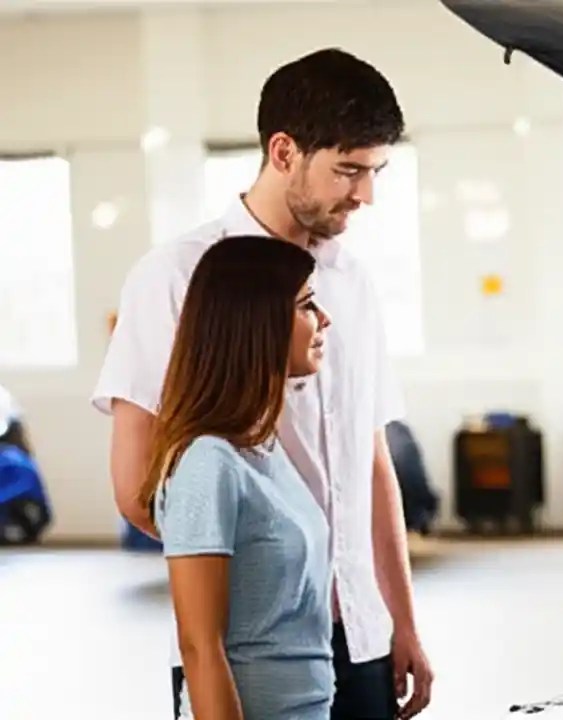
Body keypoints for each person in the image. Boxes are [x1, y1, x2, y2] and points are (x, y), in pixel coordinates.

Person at [91, 47, 433, 719]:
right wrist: (265, 593)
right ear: (283, 152)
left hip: (359, 633)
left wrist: (403, 621)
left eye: (376, 171)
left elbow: (370, 466)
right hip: (252, 649)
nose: (366, 195)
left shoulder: (352, 283)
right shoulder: (177, 278)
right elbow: (138, 489)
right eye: (350, 171)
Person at [147, 235, 334, 719]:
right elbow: (198, 645)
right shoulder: (208, 463)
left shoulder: (265, 449)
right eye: (307, 305)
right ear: (257, 321)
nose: (324, 320)